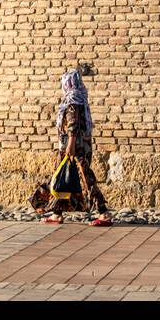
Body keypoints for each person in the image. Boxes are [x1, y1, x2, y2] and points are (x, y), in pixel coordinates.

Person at [32, 68, 111, 226]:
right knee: (62, 178)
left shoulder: (72, 101)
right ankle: (56, 213)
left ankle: (104, 213)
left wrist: (70, 146)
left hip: (75, 148)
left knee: (84, 180)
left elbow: (73, 125)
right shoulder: (80, 98)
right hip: (81, 146)